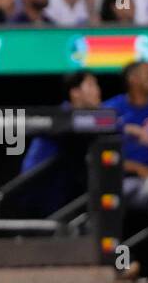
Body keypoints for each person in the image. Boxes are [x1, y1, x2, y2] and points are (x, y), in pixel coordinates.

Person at [104, 60, 148, 282]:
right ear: (132, 80)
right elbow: (95, 156)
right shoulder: (112, 109)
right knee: (106, 208)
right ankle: (118, 267)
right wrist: (136, 167)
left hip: (146, 183)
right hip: (116, 181)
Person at [19, 70, 100, 217]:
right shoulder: (63, 115)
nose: (97, 91)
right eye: (91, 85)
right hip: (38, 186)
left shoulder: (88, 118)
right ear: (75, 92)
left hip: (62, 192)